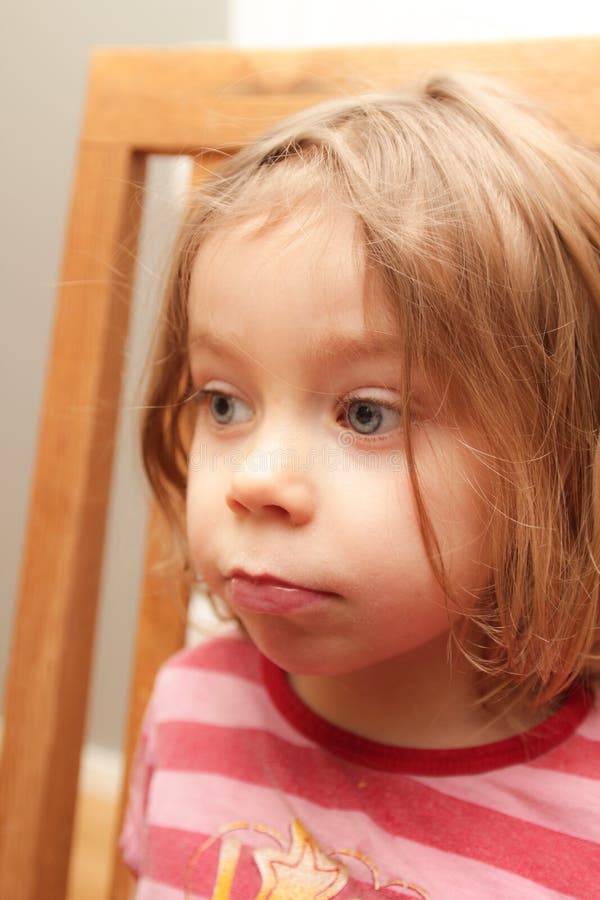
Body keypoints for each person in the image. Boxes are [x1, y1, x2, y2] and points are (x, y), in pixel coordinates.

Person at [120, 73, 600, 898]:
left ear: (557, 461)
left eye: (367, 414)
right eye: (225, 403)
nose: (255, 481)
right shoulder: (191, 706)